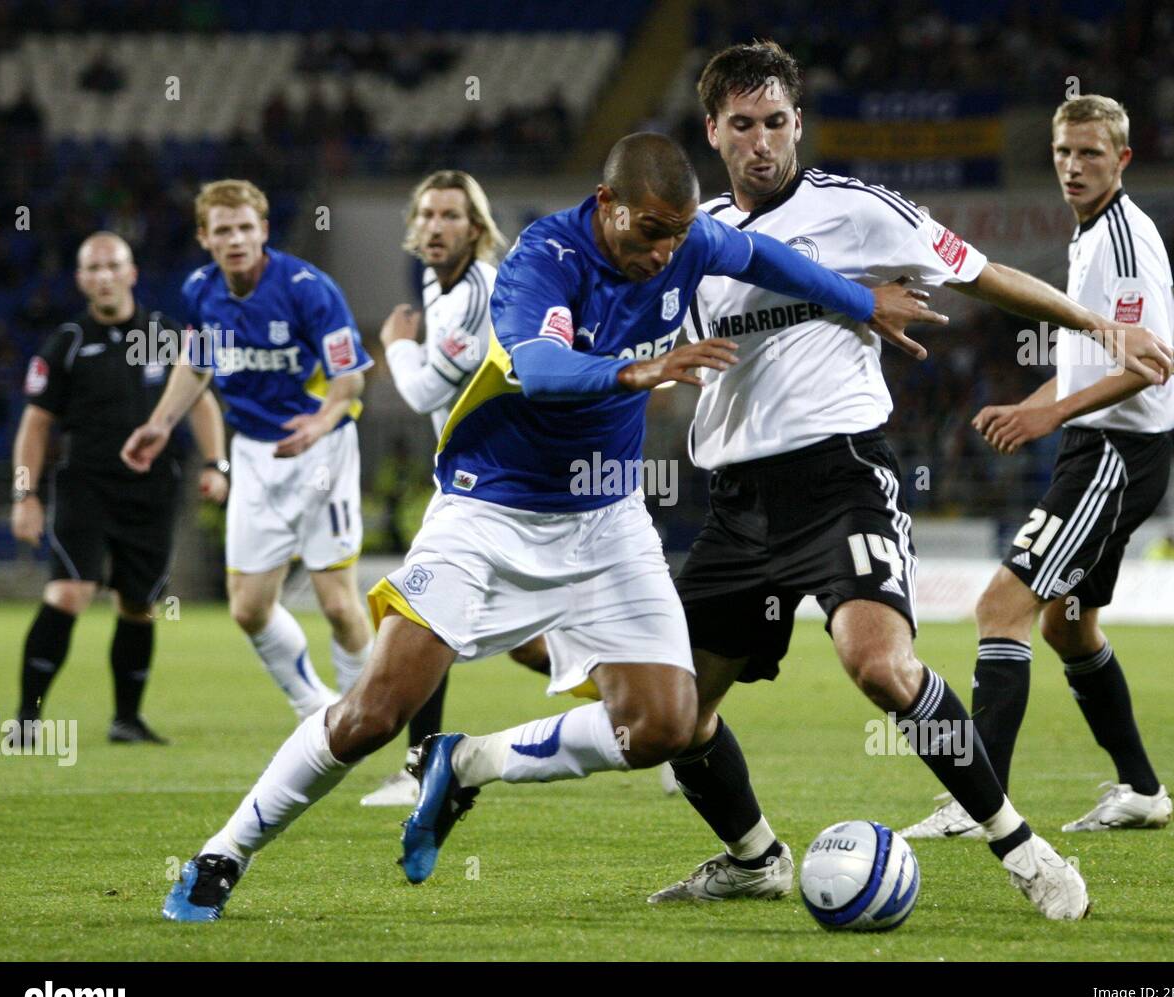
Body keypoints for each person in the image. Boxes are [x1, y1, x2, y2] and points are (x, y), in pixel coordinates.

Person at [159, 131, 944, 922]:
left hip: (607, 521)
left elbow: (771, 263)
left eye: (679, 234)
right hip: (489, 511)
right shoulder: (543, 261)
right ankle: (221, 853)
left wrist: (862, 300)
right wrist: (634, 371)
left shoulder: (684, 236)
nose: (667, 252)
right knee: (375, 713)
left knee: (666, 724)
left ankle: (463, 764)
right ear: (608, 204)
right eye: (650, 233)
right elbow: (540, 369)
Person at [641, 44, 1171, 918]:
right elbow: (667, 356)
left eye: (777, 123)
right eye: (743, 126)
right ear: (712, 131)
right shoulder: (692, 239)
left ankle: (1019, 844)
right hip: (735, 502)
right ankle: (753, 858)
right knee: (673, 716)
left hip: (838, 474)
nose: (763, 142)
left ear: (799, 124)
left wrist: (1096, 328)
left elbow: (978, 270)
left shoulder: (854, 209)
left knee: (878, 664)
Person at [901, 95, 1174, 839]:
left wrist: (1048, 416)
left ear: (1122, 160)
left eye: (1090, 153)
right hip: (1103, 446)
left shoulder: (1122, 242)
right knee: (1068, 625)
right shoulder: (1092, 235)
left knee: (1001, 607)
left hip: (1114, 453)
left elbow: (1154, 361)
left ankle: (976, 801)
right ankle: (1143, 789)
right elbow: (1103, 350)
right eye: (1063, 152)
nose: (1073, 166)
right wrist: (1035, 403)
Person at [121, 180, 374, 720]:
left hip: (321, 454)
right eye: (223, 230)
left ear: (263, 230)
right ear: (204, 237)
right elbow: (197, 363)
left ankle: (369, 719)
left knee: (336, 604)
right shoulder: (200, 291)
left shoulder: (309, 288)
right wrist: (160, 424)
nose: (235, 239)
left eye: (244, 227)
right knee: (249, 609)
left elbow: (350, 375)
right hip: (256, 456)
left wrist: (322, 420)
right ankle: (316, 710)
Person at [8, 232, 226, 746]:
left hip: (153, 490)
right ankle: (26, 718)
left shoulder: (166, 334)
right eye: (92, 268)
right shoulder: (67, 342)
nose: (103, 275)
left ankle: (126, 720)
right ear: (81, 279)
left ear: (132, 273)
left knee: (138, 604)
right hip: (85, 486)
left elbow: (201, 401)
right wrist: (25, 494)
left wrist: (217, 463)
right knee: (69, 592)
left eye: (113, 265)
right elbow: (35, 426)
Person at [361, 169, 506, 807]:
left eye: (451, 215)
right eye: (427, 215)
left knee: (424, 608)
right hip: (477, 474)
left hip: (498, 478)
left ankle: (425, 769)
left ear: (475, 228)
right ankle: (669, 726)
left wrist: (397, 345)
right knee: (531, 642)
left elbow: (421, 389)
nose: (436, 226)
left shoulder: (476, 292)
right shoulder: (438, 282)